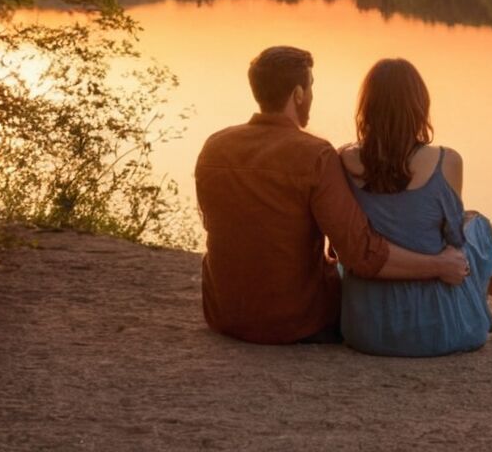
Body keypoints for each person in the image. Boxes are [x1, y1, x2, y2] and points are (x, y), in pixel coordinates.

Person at [195, 46, 469, 345]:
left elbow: (213, 223)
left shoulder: (214, 146)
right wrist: (440, 265)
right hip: (295, 321)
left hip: (224, 314)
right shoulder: (316, 155)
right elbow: (361, 254)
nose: (312, 96)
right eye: (311, 86)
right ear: (298, 93)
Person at [338, 57, 492, 356]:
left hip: (368, 329)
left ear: (368, 107)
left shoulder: (344, 160)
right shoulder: (446, 160)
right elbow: (453, 240)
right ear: (419, 105)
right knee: (481, 228)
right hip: (441, 330)